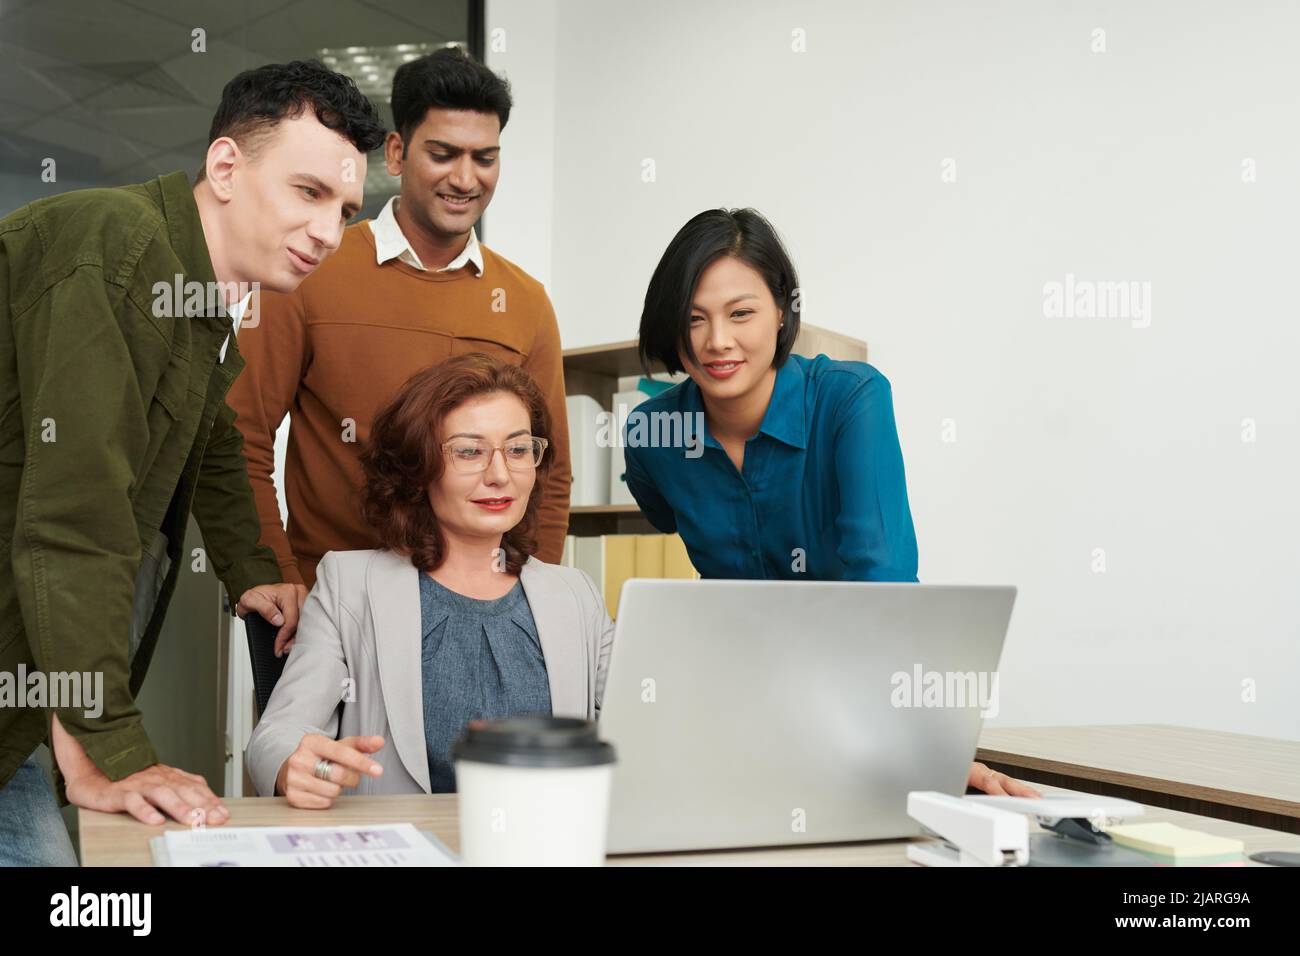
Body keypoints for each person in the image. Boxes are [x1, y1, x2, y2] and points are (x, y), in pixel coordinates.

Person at [0, 60, 386, 864]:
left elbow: (209, 435)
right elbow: (78, 513)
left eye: (347, 209)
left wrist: (248, 566)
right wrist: (108, 742)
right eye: (307, 192)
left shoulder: (199, 298)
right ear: (225, 168)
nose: (327, 230)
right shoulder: (115, 245)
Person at [624, 208, 1037, 797]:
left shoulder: (852, 399)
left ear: (783, 312)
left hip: (857, 707)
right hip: (730, 709)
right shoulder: (650, 436)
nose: (717, 341)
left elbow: (883, 580)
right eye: (693, 319)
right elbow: (662, 515)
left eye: (741, 313)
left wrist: (922, 745)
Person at [229, 45, 572, 597]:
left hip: (476, 611)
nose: (465, 178)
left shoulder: (526, 302)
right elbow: (238, 435)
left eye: (484, 158)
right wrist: (272, 574)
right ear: (396, 153)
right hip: (329, 608)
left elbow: (548, 475)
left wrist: (532, 596)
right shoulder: (307, 270)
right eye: (443, 153)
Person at [245, 354, 612, 806]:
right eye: (469, 451)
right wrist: (297, 767)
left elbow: (650, 721)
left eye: (518, 450)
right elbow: (277, 735)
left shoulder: (576, 594)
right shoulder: (350, 583)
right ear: (418, 469)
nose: (500, 475)